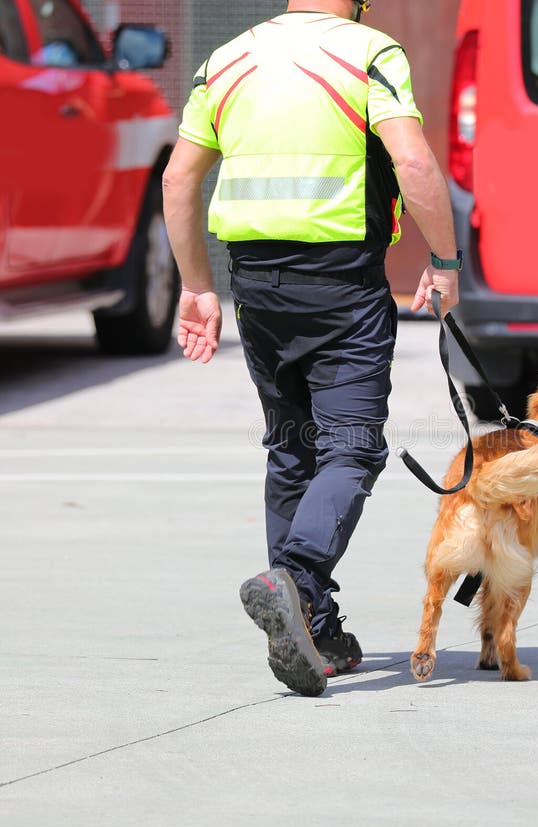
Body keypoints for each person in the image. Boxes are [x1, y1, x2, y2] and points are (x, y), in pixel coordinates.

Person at [162, 0, 460, 697]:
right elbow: (412, 159)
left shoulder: (227, 59)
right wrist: (445, 261)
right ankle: (295, 580)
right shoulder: (369, 52)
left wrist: (197, 286)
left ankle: (316, 631)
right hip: (340, 285)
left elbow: (178, 178)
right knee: (350, 448)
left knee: (292, 449)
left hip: (255, 286)